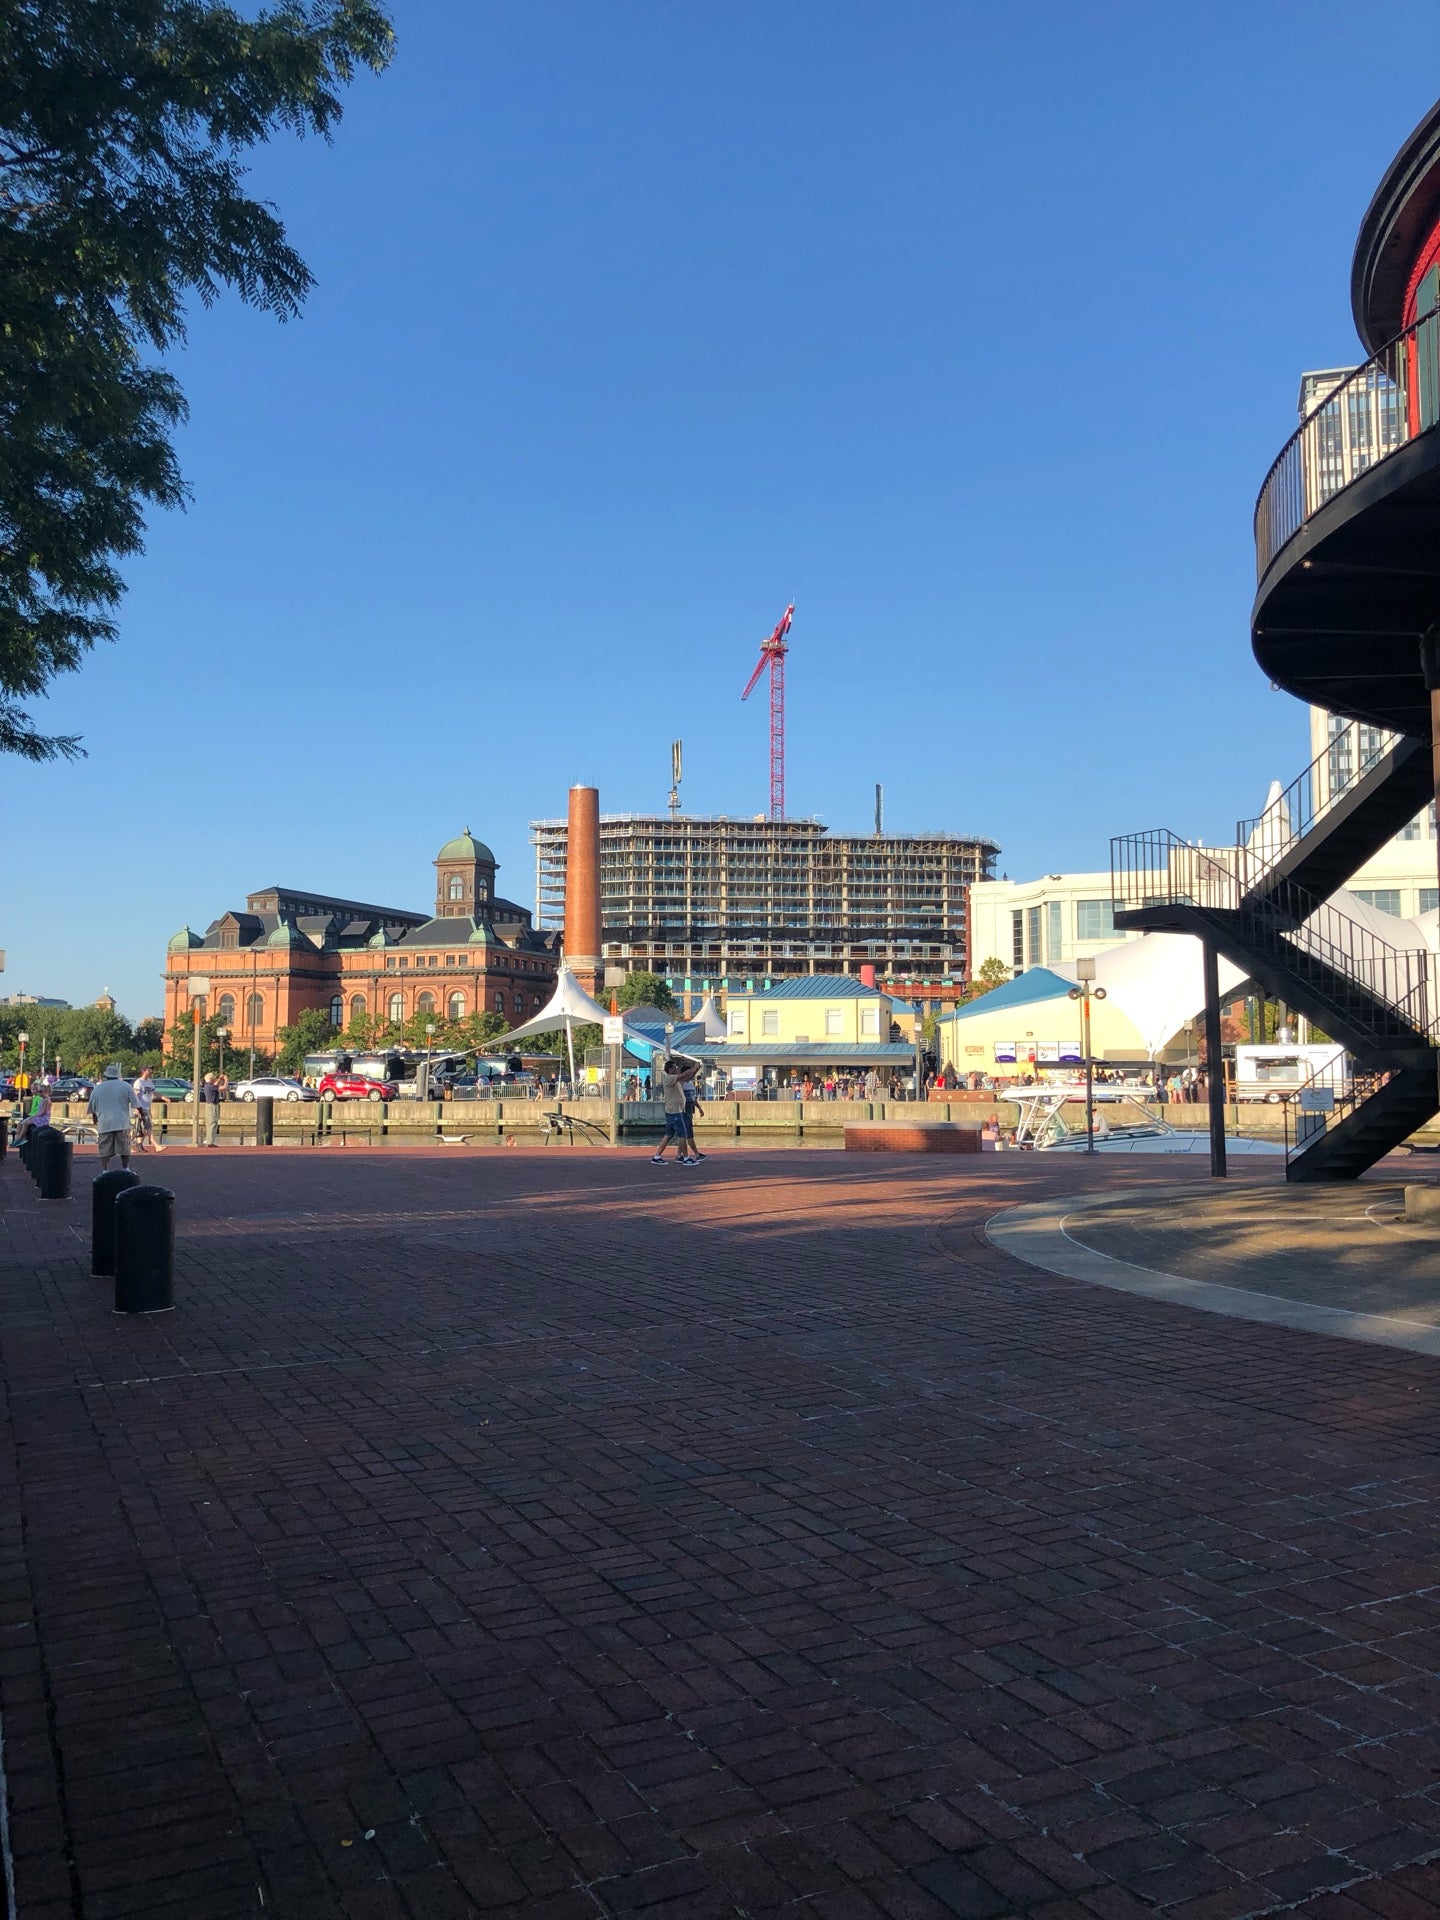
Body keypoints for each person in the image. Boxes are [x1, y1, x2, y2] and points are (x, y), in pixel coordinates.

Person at [651, 1056, 698, 1165]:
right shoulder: (669, 1078)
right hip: (674, 1112)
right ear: (670, 1069)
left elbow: (687, 1077)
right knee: (682, 1135)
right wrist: (693, 1067)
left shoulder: (675, 1079)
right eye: (675, 1067)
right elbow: (683, 1075)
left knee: (668, 1135)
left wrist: (695, 1070)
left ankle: (657, 1156)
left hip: (675, 1111)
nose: (677, 1069)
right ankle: (686, 1158)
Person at [89, 1064, 136, 1171]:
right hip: (121, 1122)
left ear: (106, 1075)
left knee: (104, 1148)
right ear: (118, 1075)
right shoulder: (125, 1086)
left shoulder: (98, 1088)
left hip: (105, 1122)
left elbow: (92, 1108)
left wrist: (95, 1120)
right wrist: (143, 1116)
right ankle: (125, 1168)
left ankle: (105, 1169)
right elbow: (136, 1104)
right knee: (124, 1147)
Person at [131, 1066, 164, 1153]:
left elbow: (154, 1092)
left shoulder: (149, 1082)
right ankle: (156, 1146)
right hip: (141, 1108)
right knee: (147, 1128)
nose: (151, 1071)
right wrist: (136, 1107)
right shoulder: (139, 1082)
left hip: (147, 1108)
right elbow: (135, 1095)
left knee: (141, 1130)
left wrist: (164, 1098)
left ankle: (137, 1145)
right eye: (149, 1070)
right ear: (144, 1071)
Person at [199, 1071, 221, 1146]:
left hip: (208, 1105)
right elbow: (223, 1088)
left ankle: (209, 1140)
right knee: (213, 1123)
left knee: (209, 1123)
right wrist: (226, 1080)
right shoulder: (211, 1087)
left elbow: (215, 1084)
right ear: (211, 1079)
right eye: (214, 1078)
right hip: (213, 1105)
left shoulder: (207, 1086)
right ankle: (211, 1141)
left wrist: (219, 1079)